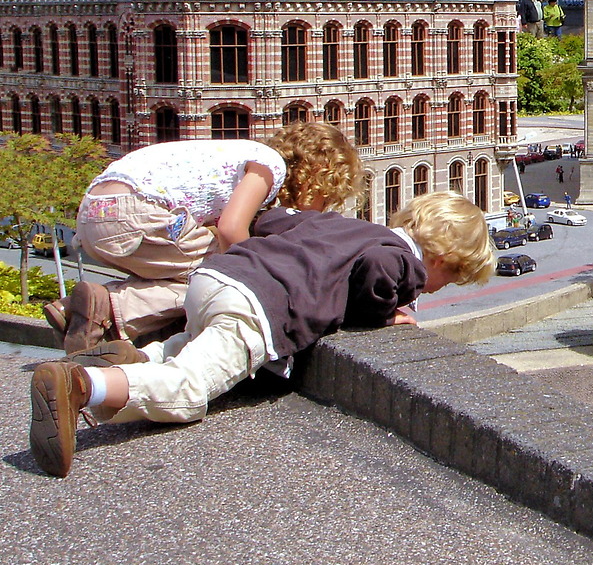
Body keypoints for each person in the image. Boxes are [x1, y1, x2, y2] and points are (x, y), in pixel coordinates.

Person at [28, 190, 495, 478]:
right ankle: (83, 388)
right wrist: (382, 314)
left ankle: (132, 361)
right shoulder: (399, 260)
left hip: (216, 278)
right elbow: (377, 273)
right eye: (448, 279)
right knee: (190, 389)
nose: (433, 287)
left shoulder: (342, 224)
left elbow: (271, 221)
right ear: (439, 260)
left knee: (186, 348)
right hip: (256, 306)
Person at [44, 123, 362, 355]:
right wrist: (254, 279)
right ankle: (114, 310)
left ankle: (77, 310)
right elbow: (230, 229)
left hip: (93, 213)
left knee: (186, 271)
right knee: (217, 273)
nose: (321, 209)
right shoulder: (269, 166)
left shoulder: (236, 154)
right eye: (325, 199)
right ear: (317, 176)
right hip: (133, 212)